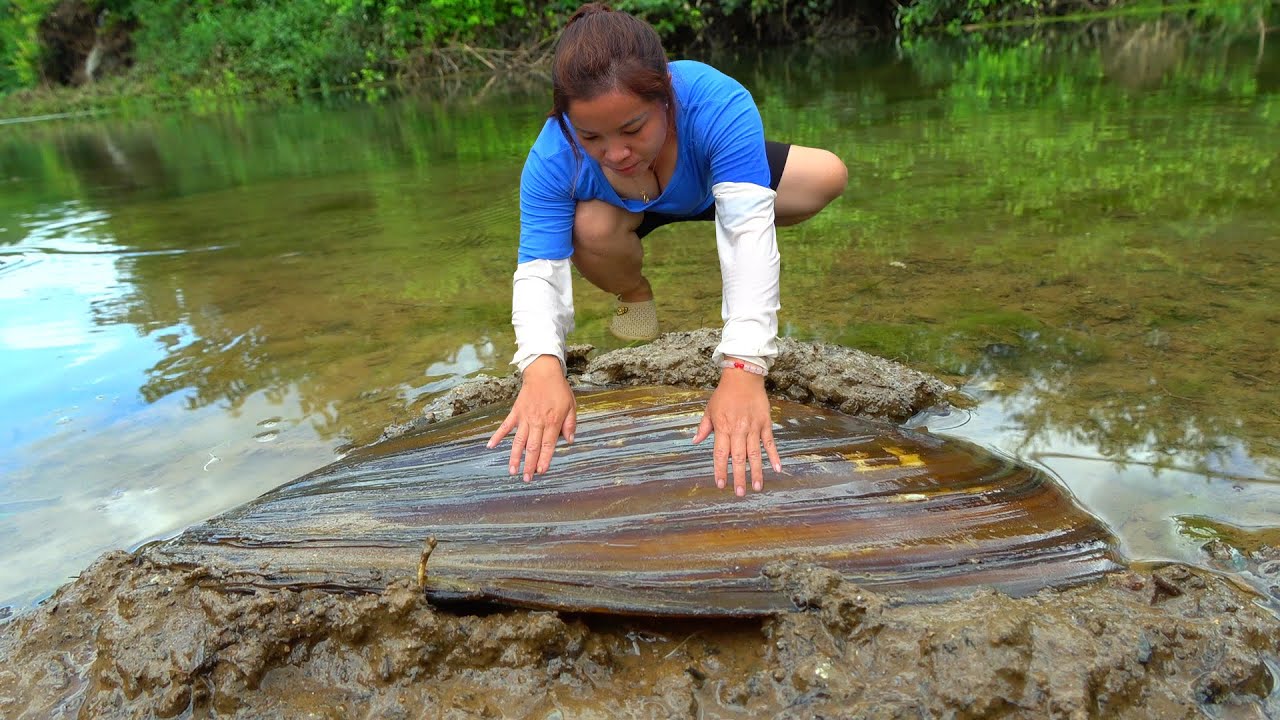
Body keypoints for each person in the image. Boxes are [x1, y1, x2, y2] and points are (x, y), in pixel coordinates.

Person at [486, 3, 847, 497]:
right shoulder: (553, 153)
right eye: (591, 136)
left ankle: (721, 193)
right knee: (588, 227)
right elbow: (538, 272)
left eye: (632, 129)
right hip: (622, 211)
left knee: (827, 174)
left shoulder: (715, 101)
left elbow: (747, 241)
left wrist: (744, 368)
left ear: (668, 99)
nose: (615, 152)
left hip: (709, 179)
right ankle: (633, 290)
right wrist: (542, 366)